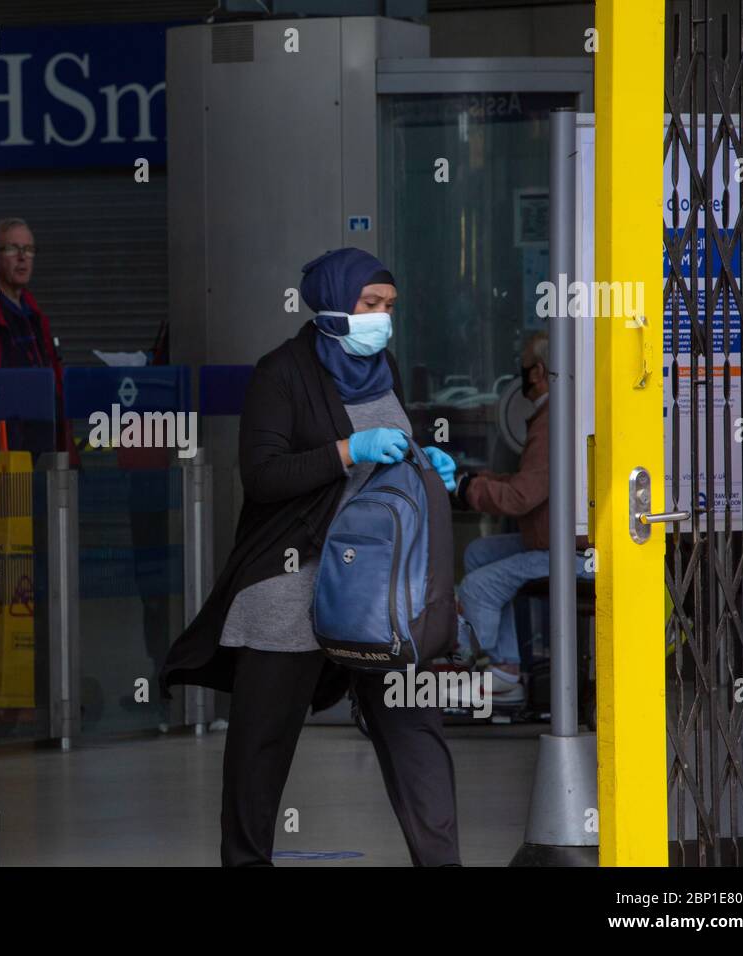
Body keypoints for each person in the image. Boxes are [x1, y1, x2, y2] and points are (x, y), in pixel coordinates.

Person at [160, 247, 461, 867]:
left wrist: (424, 466)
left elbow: (393, 457)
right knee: (262, 743)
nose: (383, 320)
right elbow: (264, 476)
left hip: (379, 589)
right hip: (293, 579)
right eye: (371, 306)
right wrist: (349, 450)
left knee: (413, 729)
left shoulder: (385, 367)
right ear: (331, 306)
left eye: (390, 308)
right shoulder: (282, 373)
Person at [451, 331, 592, 704]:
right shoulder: (560, 411)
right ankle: (506, 659)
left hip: (573, 552)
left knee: (478, 586)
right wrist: (479, 480)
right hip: (556, 539)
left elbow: (521, 497)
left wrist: (468, 491)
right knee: (480, 553)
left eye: (526, 365)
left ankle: (501, 674)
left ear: (538, 372)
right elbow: (533, 483)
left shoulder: (553, 420)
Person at [0, 217, 75, 461]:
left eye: (28, 249)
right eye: (12, 248)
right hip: (10, 453)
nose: (22, 257)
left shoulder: (35, 314)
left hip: (44, 446)